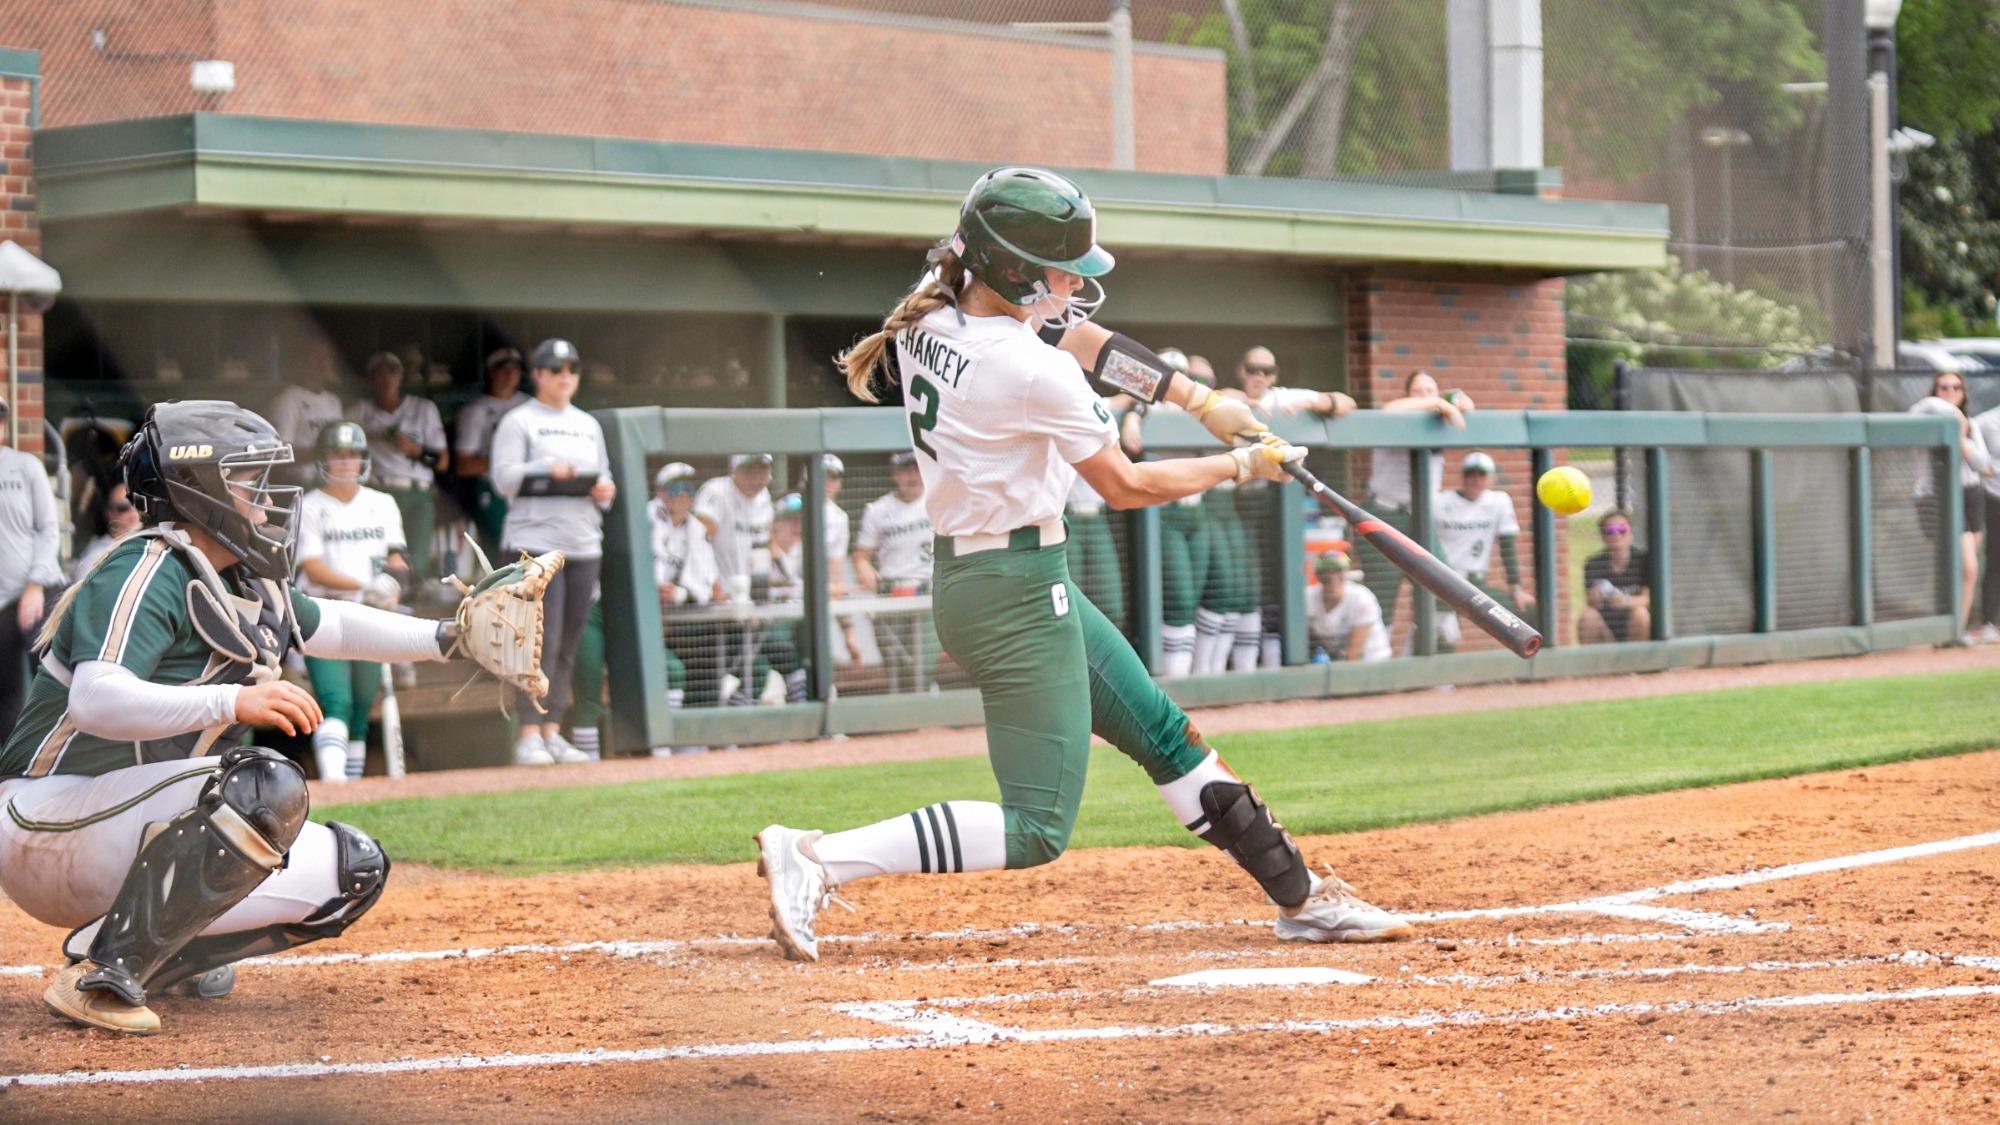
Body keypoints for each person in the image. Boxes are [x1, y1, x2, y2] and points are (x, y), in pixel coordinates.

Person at [754, 165, 1412, 962]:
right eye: (1060, 272)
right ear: (1012, 270)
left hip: (1004, 578)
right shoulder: (1029, 368)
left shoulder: (945, 303)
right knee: (1036, 826)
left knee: (1163, 735)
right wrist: (1240, 466)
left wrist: (1199, 402)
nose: (1073, 286)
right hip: (1013, 593)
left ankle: (1301, 897)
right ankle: (818, 858)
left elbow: (1083, 336)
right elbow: (1126, 484)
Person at [1, 400, 467, 1035]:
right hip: (46, 819)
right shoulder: (144, 567)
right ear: (197, 489)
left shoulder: (245, 579)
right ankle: (102, 976)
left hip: (123, 823)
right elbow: (94, 700)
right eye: (251, 481)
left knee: (352, 869)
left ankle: (153, 960)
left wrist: (452, 635)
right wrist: (230, 701)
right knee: (260, 784)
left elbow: (335, 623)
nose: (269, 496)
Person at [490, 338, 615, 766]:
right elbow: (503, 479)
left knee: (569, 643)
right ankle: (528, 734)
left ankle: (552, 730)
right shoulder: (519, 420)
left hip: (583, 542)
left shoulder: (588, 424)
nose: (565, 376)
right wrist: (547, 468)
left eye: (572, 369)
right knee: (538, 642)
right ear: (538, 375)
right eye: (556, 368)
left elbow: (607, 488)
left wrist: (604, 490)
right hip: (536, 545)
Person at [293, 422, 411, 783]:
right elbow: (313, 570)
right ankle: (333, 783)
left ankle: (353, 790)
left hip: (371, 613)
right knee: (335, 699)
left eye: (354, 455)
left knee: (361, 703)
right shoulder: (310, 506)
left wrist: (393, 584)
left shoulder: (383, 503)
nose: (347, 462)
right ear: (324, 459)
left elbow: (398, 559)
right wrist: (366, 586)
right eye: (338, 455)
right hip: (323, 611)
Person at [1358, 371, 1473, 636]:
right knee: (1382, 601)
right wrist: (1439, 403)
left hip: (1419, 519)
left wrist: (1463, 404)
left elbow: (1464, 410)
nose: (1425, 397)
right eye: (1418, 391)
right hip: (1385, 514)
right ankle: (1377, 670)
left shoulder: (1438, 421)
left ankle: (1427, 670)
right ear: (1408, 395)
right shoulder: (1398, 416)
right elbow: (1389, 410)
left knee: (1446, 592)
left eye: (1430, 391)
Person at [346, 352, 449, 587]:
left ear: (401, 376)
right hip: (378, 490)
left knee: (416, 562)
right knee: (378, 559)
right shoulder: (360, 411)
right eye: (380, 373)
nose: (386, 378)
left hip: (415, 492)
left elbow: (443, 461)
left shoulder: (423, 408)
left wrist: (415, 450)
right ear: (371, 379)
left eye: (392, 372)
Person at [1910, 373, 1992, 644]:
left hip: (1969, 494)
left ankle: (1957, 629)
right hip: (1936, 497)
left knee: (1968, 568)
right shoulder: (1925, 415)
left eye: (1956, 387)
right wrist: (1950, 413)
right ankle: (1948, 628)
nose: (1950, 391)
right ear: (1935, 390)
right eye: (1944, 387)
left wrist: (1960, 436)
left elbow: (1983, 464)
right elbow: (1916, 411)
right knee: (1961, 566)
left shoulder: (1969, 425)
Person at [1428, 451, 1535, 651]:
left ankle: (1523, 670)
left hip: (1476, 584)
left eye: (1481, 474)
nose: (1475, 479)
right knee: (1442, 633)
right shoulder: (1440, 502)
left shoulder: (1499, 501)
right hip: (1446, 580)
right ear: (1462, 476)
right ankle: (1439, 681)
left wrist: (1516, 588)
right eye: (1470, 474)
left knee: (1526, 613)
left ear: (1491, 478)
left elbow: (1507, 546)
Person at [0, 399, 62, 742]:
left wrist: (35, 583)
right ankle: (10, 776)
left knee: (51, 683)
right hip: (1, 606)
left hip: (36, 594)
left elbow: (48, 528)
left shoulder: (25, 466)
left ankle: (56, 759)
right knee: (7, 695)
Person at [854, 451, 937, 692]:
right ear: (895, 474)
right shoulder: (878, 509)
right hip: (893, 591)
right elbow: (861, 554)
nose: (912, 476)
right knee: (896, 665)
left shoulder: (937, 501)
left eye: (917, 469)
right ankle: (903, 718)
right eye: (906, 470)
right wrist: (863, 567)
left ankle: (925, 701)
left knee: (922, 662)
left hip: (929, 590)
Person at [650, 461, 722, 711]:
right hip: (644, 614)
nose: (682, 495)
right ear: (659, 492)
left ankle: (701, 724)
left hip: (680, 615)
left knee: (709, 641)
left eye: (688, 489)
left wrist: (680, 593)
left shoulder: (696, 528)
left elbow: (707, 583)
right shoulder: (645, 518)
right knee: (673, 668)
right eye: (674, 488)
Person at [453, 346, 532, 553]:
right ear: (491, 372)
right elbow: (464, 465)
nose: (509, 374)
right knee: (502, 553)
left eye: (514, 369)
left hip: (530, 486)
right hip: (494, 488)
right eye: (503, 368)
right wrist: (507, 460)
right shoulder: (476, 411)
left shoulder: (531, 406)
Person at [267, 339, 346, 479]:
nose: (324, 363)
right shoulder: (288, 400)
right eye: (316, 357)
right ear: (302, 361)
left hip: (332, 483)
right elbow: (278, 456)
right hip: (300, 484)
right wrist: (320, 453)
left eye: (328, 357)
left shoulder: (334, 402)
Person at [1227, 345, 1356, 419]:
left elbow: (1348, 403)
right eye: (1253, 369)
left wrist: (1312, 404)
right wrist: (1246, 402)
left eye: (1267, 371)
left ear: (1274, 376)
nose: (1260, 375)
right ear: (1241, 371)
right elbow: (1220, 397)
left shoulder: (1283, 397)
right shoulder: (1228, 397)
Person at [1580, 509, 1650, 644]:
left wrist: (1624, 601)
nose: (1616, 535)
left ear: (1630, 533)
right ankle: (1593, 663)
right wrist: (1596, 597)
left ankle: (1638, 663)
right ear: (1603, 536)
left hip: (1635, 627)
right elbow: (1591, 604)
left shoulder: (1643, 560)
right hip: (1606, 628)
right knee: (1588, 616)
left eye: (1622, 529)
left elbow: (1648, 599)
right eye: (1609, 531)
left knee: (1640, 614)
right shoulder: (1593, 564)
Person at [1306, 551, 1389, 663]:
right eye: (1325, 571)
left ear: (1346, 573)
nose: (1331, 577)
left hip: (1372, 662)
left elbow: (1353, 654)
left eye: (1338, 571)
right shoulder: (1307, 597)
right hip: (1333, 662)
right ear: (1317, 574)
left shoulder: (1362, 598)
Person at [68, 481, 143, 582]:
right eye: (123, 507)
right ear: (110, 514)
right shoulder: (97, 556)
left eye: (139, 504)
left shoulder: (154, 546)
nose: (133, 512)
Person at [1974, 401, 2000, 643]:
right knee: (1995, 559)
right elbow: (1969, 438)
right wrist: (1985, 468)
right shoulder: (1988, 420)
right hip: (1995, 498)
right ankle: (1989, 622)